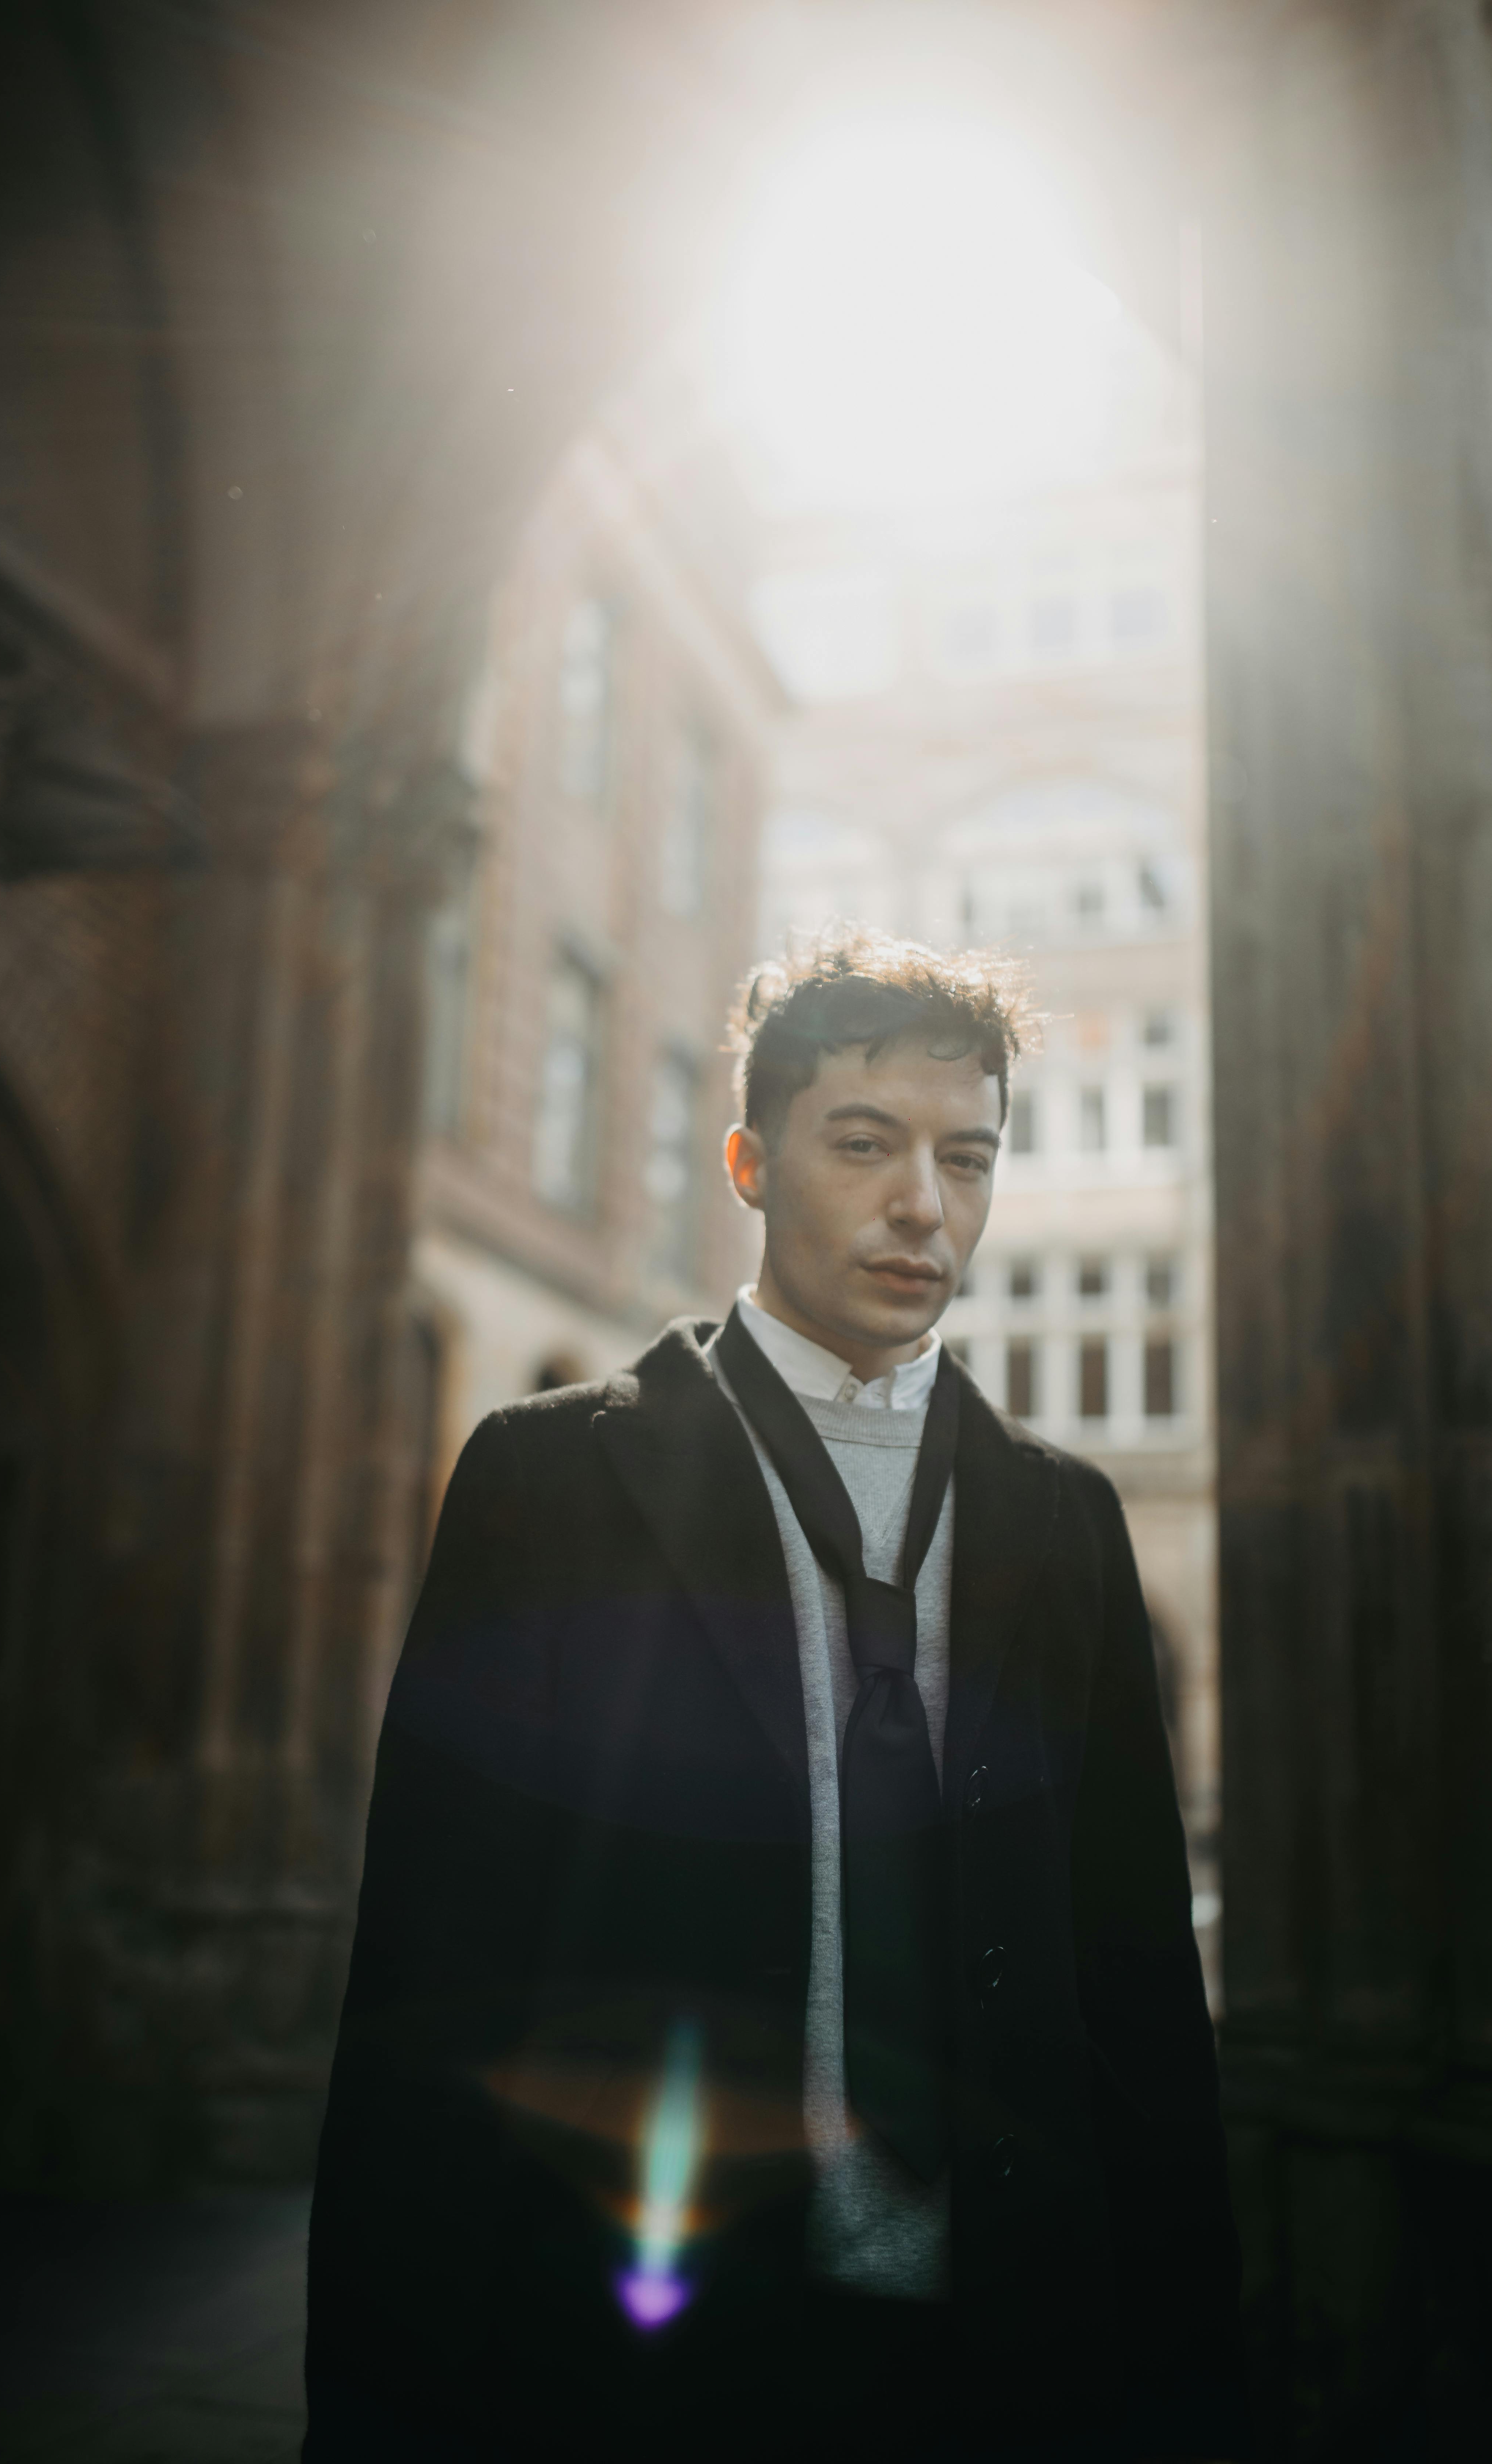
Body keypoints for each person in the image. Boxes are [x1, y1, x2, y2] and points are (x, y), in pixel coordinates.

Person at [304, 930, 1247, 2461]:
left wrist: (1192, 2392)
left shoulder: (1066, 1518)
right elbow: (432, 1978)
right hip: (645, 2346)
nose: (921, 1207)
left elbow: (1136, 1988)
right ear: (748, 1161)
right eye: (863, 1145)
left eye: (968, 1157)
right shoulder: (551, 1479)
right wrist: (376, 2411)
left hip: (1014, 2345)